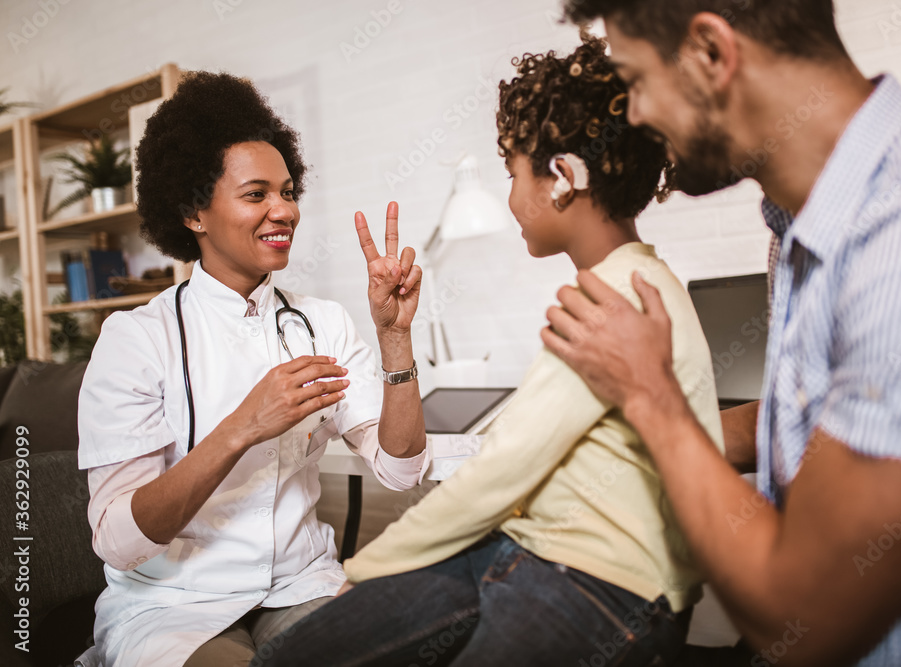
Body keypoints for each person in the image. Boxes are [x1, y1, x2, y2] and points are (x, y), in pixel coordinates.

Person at [544, 2, 901, 666]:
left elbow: (804, 614)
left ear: (711, 53)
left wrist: (652, 396)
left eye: (635, 80)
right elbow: (827, 415)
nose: (634, 113)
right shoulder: (800, 217)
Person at [256, 34, 722, 666]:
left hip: (598, 583)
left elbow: (502, 469)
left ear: (561, 178)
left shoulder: (613, 306)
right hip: (527, 550)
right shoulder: (635, 282)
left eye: (511, 173)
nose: (509, 198)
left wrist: (363, 573)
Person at [75, 71, 428, 667]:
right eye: (256, 193)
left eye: (288, 191)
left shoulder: (323, 324)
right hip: (175, 602)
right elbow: (117, 539)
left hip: (301, 585)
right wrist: (243, 426)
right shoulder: (136, 339)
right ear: (193, 211)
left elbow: (401, 469)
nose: (283, 210)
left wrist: (395, 338)